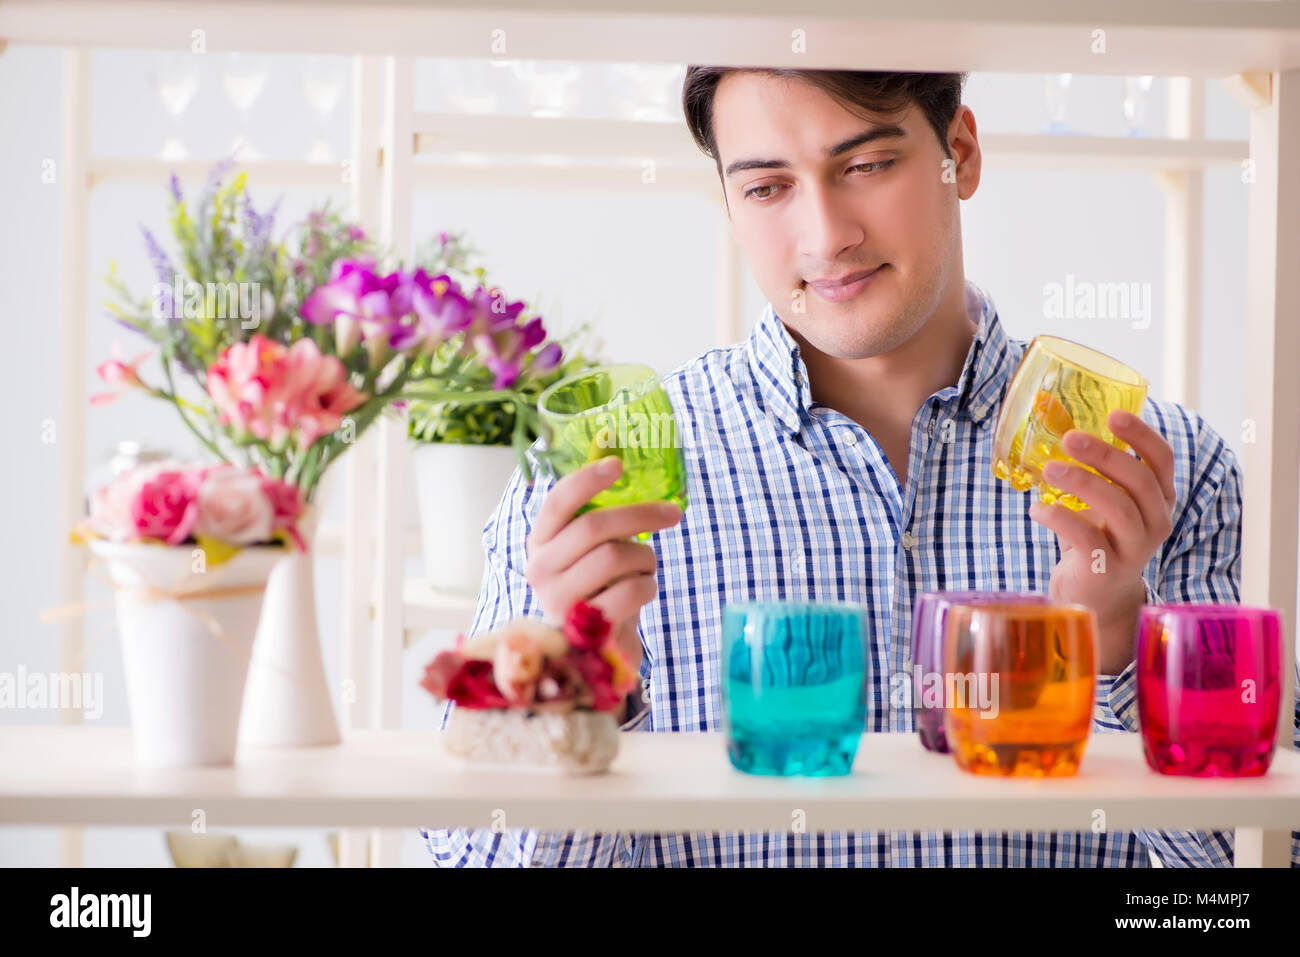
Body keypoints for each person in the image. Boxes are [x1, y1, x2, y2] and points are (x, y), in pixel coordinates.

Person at [422, 67, 1299, 867]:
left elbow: (1221, 902)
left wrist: (1114, 647)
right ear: (728, 202)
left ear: (960, 152)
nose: (827, 235)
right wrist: (587, 704)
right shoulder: (595, 492)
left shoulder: (1166, 475)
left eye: (867, 164)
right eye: (767, 186)